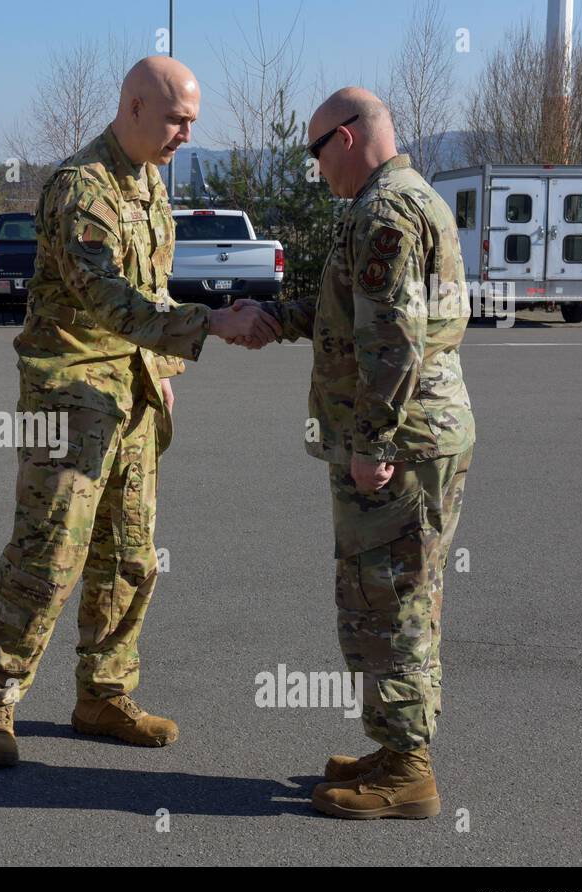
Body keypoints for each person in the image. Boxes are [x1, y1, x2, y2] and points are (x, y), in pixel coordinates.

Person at [0, 56, 280, 766]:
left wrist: (162, 367)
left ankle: (103, 694)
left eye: (192, 121)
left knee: (130, 558)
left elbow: (153, 288)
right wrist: (210, 326)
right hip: (68, 392)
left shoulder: (148, 184)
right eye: (175, 119)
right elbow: (108, 297)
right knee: (49, 555)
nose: (186, 134)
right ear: (133, 106)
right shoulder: (83, 189)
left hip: (129, 389)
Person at [233, 88, 475, 819]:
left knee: (387, 603)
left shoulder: (382, 213)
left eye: (314, 153)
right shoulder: (403, 198)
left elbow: (394, 339)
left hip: (398, 445)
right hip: (421, 435)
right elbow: (355, 315)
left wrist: (373, 441)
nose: (315, 169)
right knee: (400, 597)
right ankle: (396, 746)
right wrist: (274, 318)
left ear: (344, 137)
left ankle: (407, 772)